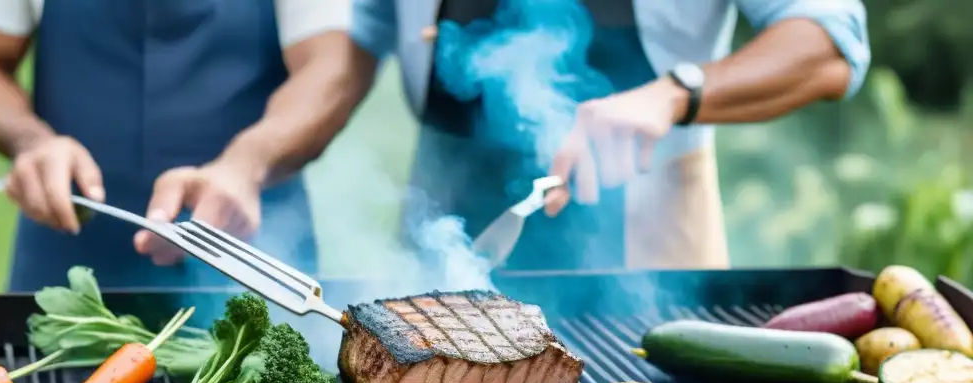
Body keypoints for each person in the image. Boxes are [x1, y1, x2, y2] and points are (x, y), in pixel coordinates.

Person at [346, 0, 872, 272]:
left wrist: (673, 94)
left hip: (644, 235)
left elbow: (830, 42)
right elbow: (349, 35)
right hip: (440, 214)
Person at [0, 0, 363, 292]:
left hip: (251, 253)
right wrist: (30, 142)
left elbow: (329, 68)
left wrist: (247, 165)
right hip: (64, 254)